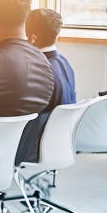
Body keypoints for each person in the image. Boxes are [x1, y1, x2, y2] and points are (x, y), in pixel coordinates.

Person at [15, 8, 77, 164]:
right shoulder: (65, 63)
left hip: (32, 146)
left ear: (33, 37)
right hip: (59, 145)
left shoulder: (39, 70)